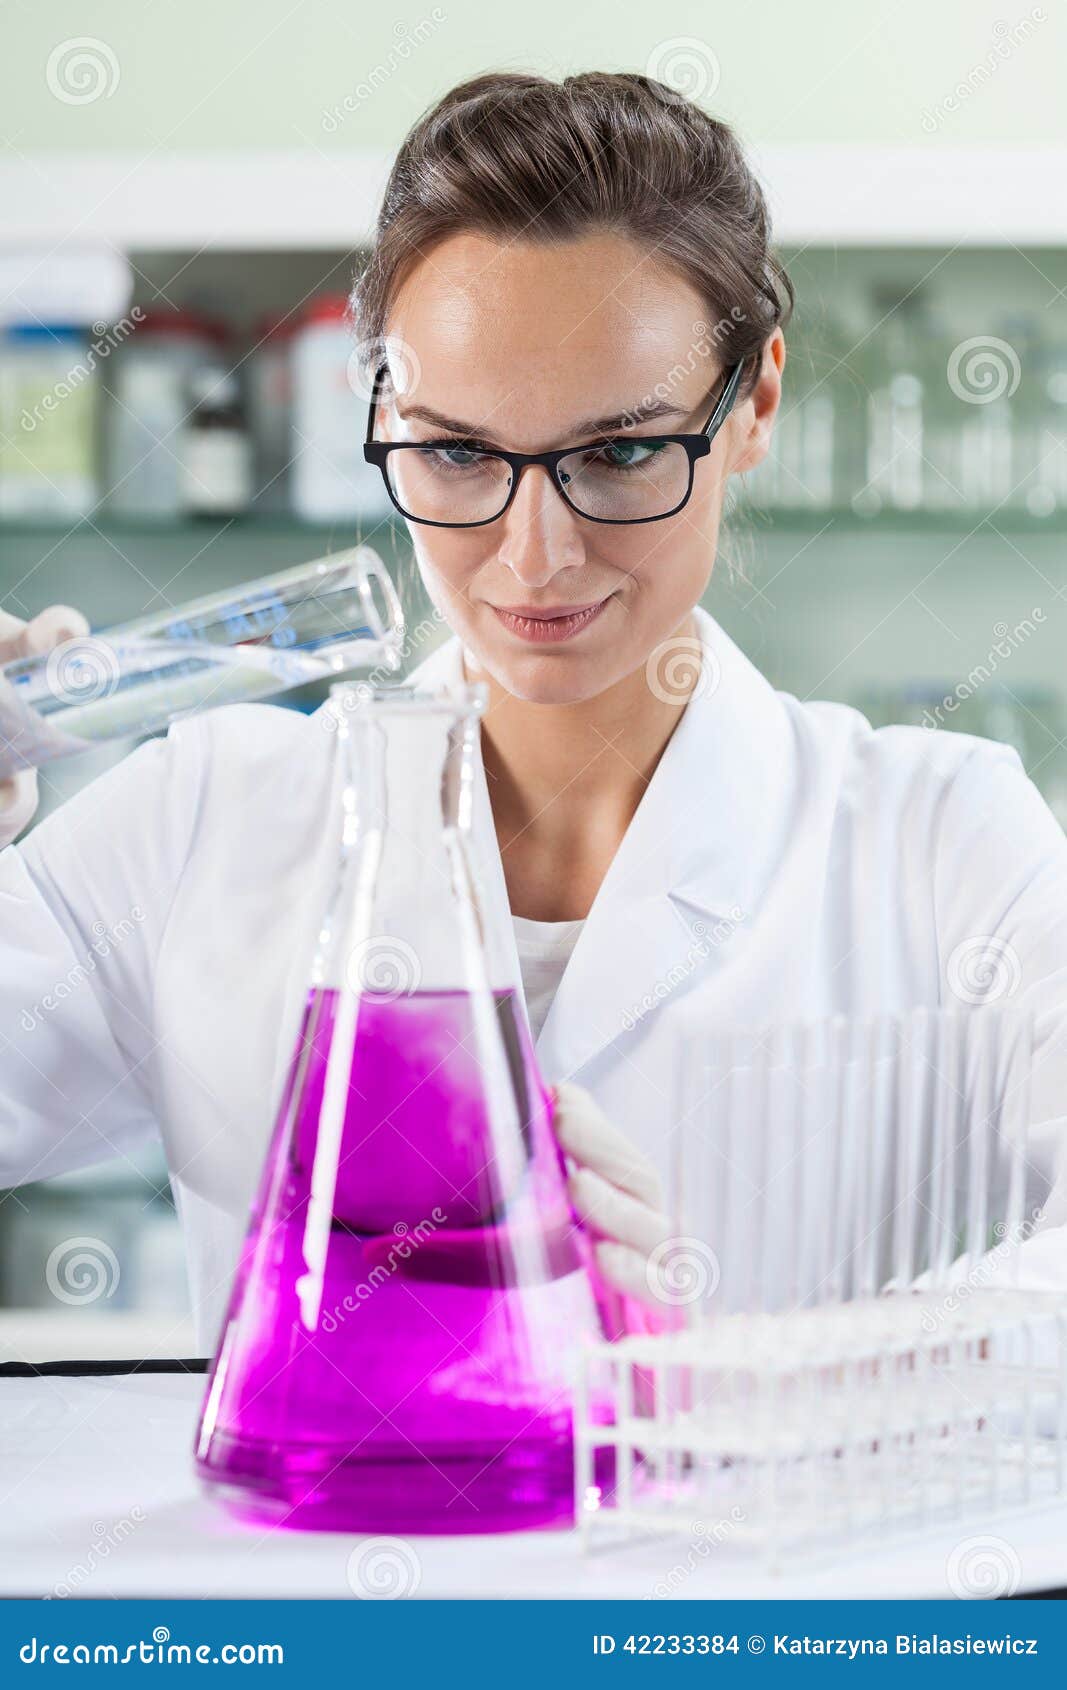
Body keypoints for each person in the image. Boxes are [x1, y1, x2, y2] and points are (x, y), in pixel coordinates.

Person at [3, 70, 1067, 1358]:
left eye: (618, 454)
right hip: (319, 1556)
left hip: (764, 1568)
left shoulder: (946, 845)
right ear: (382, 412)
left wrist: (723, 1366)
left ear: (755, 408)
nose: (535, 553)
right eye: (456, 452)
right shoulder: (200, 820)